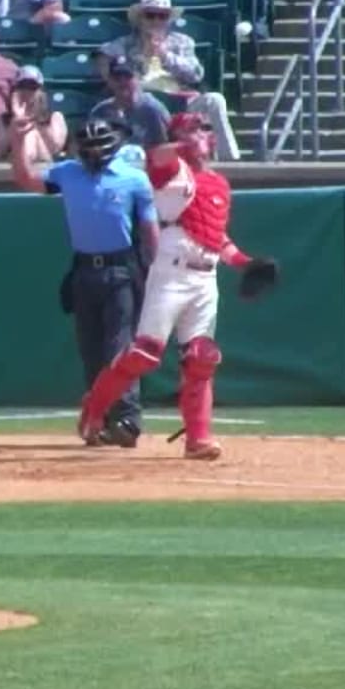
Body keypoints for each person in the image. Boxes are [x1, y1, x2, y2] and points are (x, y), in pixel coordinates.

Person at [76, 114, 277, 460]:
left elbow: (215, 237)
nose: (199, 135)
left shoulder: (218, 183)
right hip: (171, 271)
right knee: (144, 354)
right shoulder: (173, 170)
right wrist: (183, 144)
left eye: (204, 129)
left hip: (204, 277)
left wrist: (245, 263)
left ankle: (198, 439)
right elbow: (157, 158)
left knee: (202, 357)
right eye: (191, 129)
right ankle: (95, 407)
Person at [9, 118, 157, 447]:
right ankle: (98, 417)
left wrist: (153, 271)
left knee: (119, 347)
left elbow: (150, 231)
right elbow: (25, 179)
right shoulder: (68, 173)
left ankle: (127, 419)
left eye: (98, 147)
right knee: (90, 349)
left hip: (122, 268)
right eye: (87, 148)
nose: (93, 153)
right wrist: (18, 141)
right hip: (85, 269)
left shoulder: (134, 178)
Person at [100, 0, 241, 161]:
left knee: (215, 100)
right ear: (140, 18)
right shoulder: (126, 43)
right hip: (143, 103)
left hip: (179, 100)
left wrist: (166, 56)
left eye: (162, 16)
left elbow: (196, 75)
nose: (156, 21)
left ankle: (230, 160)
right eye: (150, 15)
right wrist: (140, 57)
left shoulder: (182, 42)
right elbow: (103, 56)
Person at [0, 64, 66, 163]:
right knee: (25, 132)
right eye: (22, 86)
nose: (27, 91)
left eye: (32, 87)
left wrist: (37, 119)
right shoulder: (3, 119)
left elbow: (55, 148)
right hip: (10, 164)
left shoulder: (55, 117)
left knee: (29, 132)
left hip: (44, 163)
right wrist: (17, 121)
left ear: (41, 91)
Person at [91, 55, 172, 148]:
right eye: (117, 78)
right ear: (109, 81)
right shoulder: (100, 113)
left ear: (137, 79)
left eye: (128, 76)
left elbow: (164, 147)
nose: (122, 82)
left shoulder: (153, 110)